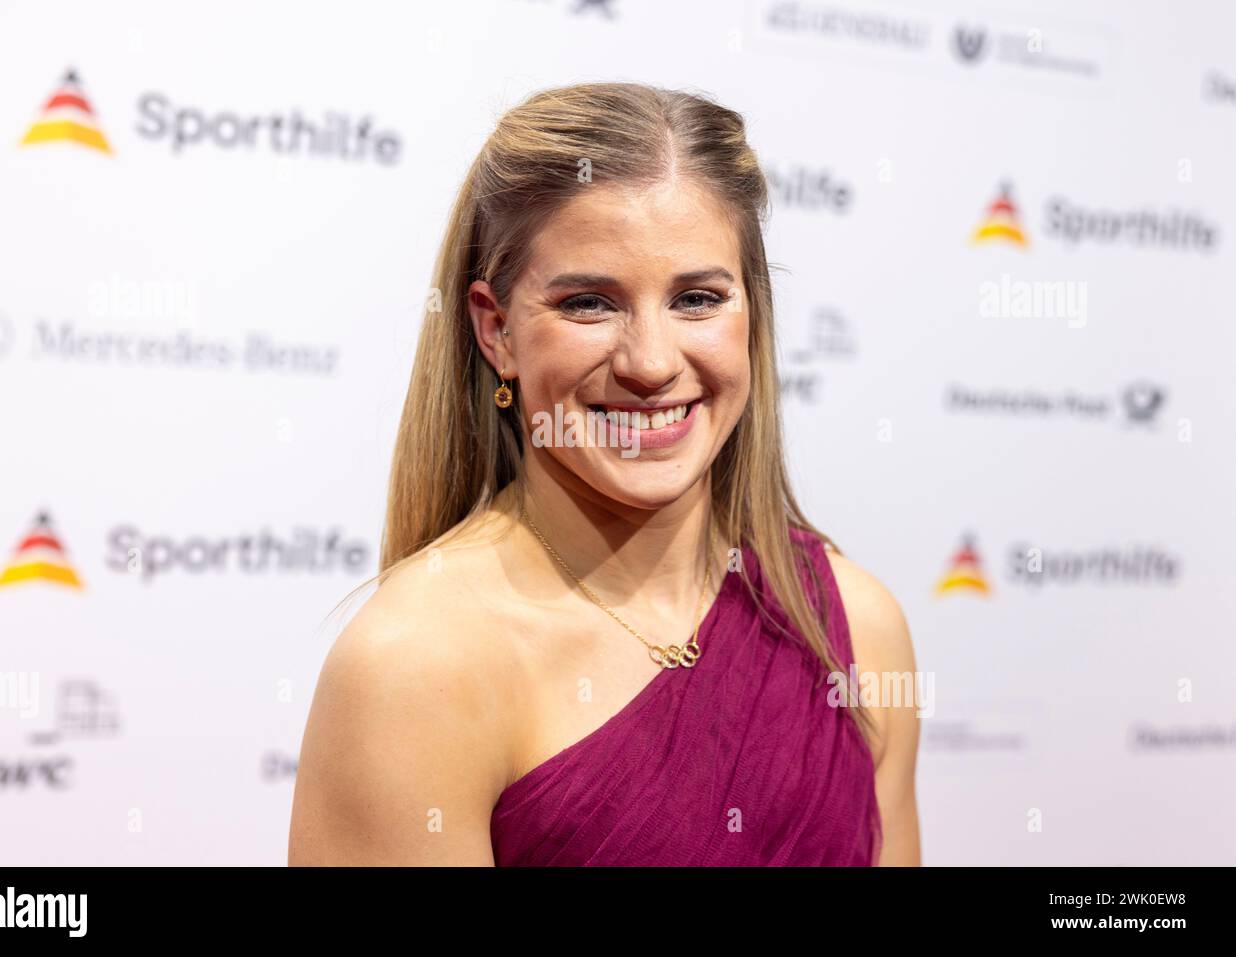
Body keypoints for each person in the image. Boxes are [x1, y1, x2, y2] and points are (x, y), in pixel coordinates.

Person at [288, 82, 920, 866]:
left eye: (697, 298)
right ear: (497, 331)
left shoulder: (857, 627)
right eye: (590, 303)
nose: (652, 363)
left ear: (752, 314)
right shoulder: (414, 667)